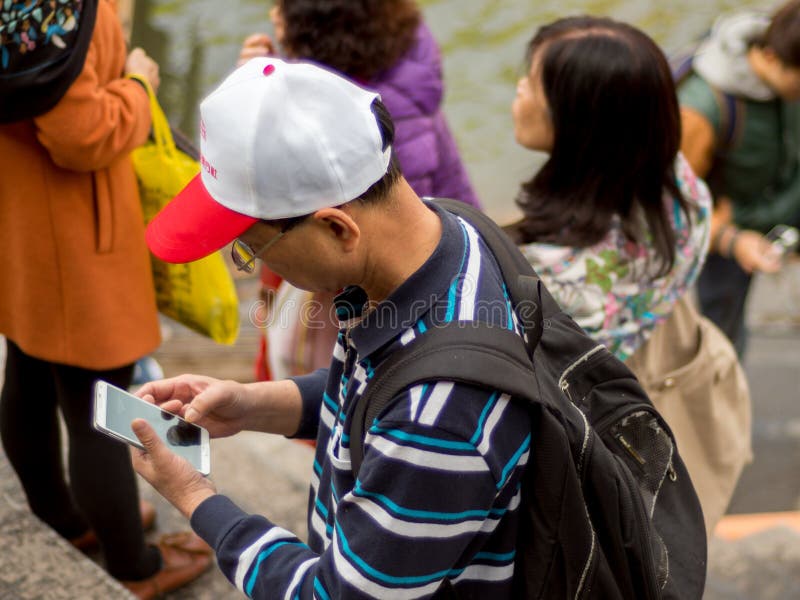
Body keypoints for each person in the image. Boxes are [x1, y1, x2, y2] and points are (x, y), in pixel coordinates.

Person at [133, 57, 531, 599]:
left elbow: (335, 595)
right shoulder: (449, 231)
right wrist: (254, 404)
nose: (250, 266)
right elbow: (374, 389)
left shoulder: (439, 417)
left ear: (337, 228)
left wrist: (194, 497)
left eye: (251, 251)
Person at [0, 1, 211, 597]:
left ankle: (63, 519)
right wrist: (140, 82)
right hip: (73, 234)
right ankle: (131, 564)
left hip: (18, 218)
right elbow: (82, 134)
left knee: (29, 371)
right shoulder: (64, 11)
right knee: (98, 406)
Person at [238, 0, 481, 381]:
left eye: (282, 10)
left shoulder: (371, 129)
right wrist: (272, 79)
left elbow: (380, 250)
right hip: (447, 218)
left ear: (319, 27)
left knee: (329, 373)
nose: (272, 16)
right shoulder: (406, 54)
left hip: (360, 288)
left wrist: (265, 97)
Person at [509, 16, 712, 361]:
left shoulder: (545, 276)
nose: (520, 87)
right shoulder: (684, 189)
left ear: (579, 121)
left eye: (533, 81)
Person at [678, 0, 800, 356]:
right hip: (731, 235)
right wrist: (732, 239)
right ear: (772, 59)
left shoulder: (785, 64)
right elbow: (674, 211)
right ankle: (726, 403)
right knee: (724, 336)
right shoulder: (701, 111)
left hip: (783, 196)